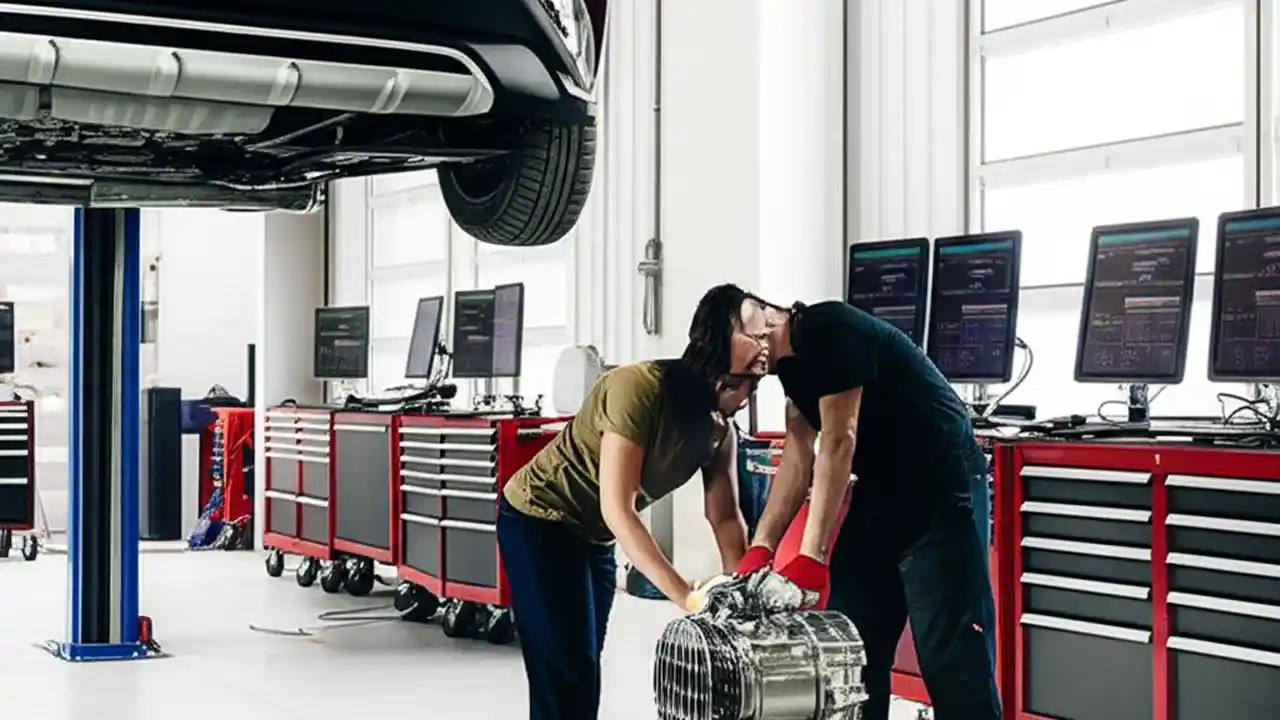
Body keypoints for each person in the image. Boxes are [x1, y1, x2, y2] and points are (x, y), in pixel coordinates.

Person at [689, 284, 1001, 720]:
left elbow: (838, 440)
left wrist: (810, 557)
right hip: (882, 492)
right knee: (849, 647)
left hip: (941, 489)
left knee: (951, 659)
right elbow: (798, 458)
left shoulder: (830, 329)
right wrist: (762, 549)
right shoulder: (791, 373)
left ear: (757, 316)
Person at [496, 292, 768, 720]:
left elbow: (725, 517)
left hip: (594, 537)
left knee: (582, 668)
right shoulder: (638, 388)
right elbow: (618, 509)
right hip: (540, 519)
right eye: (749, 386)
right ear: (722, 380)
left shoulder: (720, 432)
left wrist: (745, 592)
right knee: (564, 676)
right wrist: (687, 596)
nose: (749, 399)